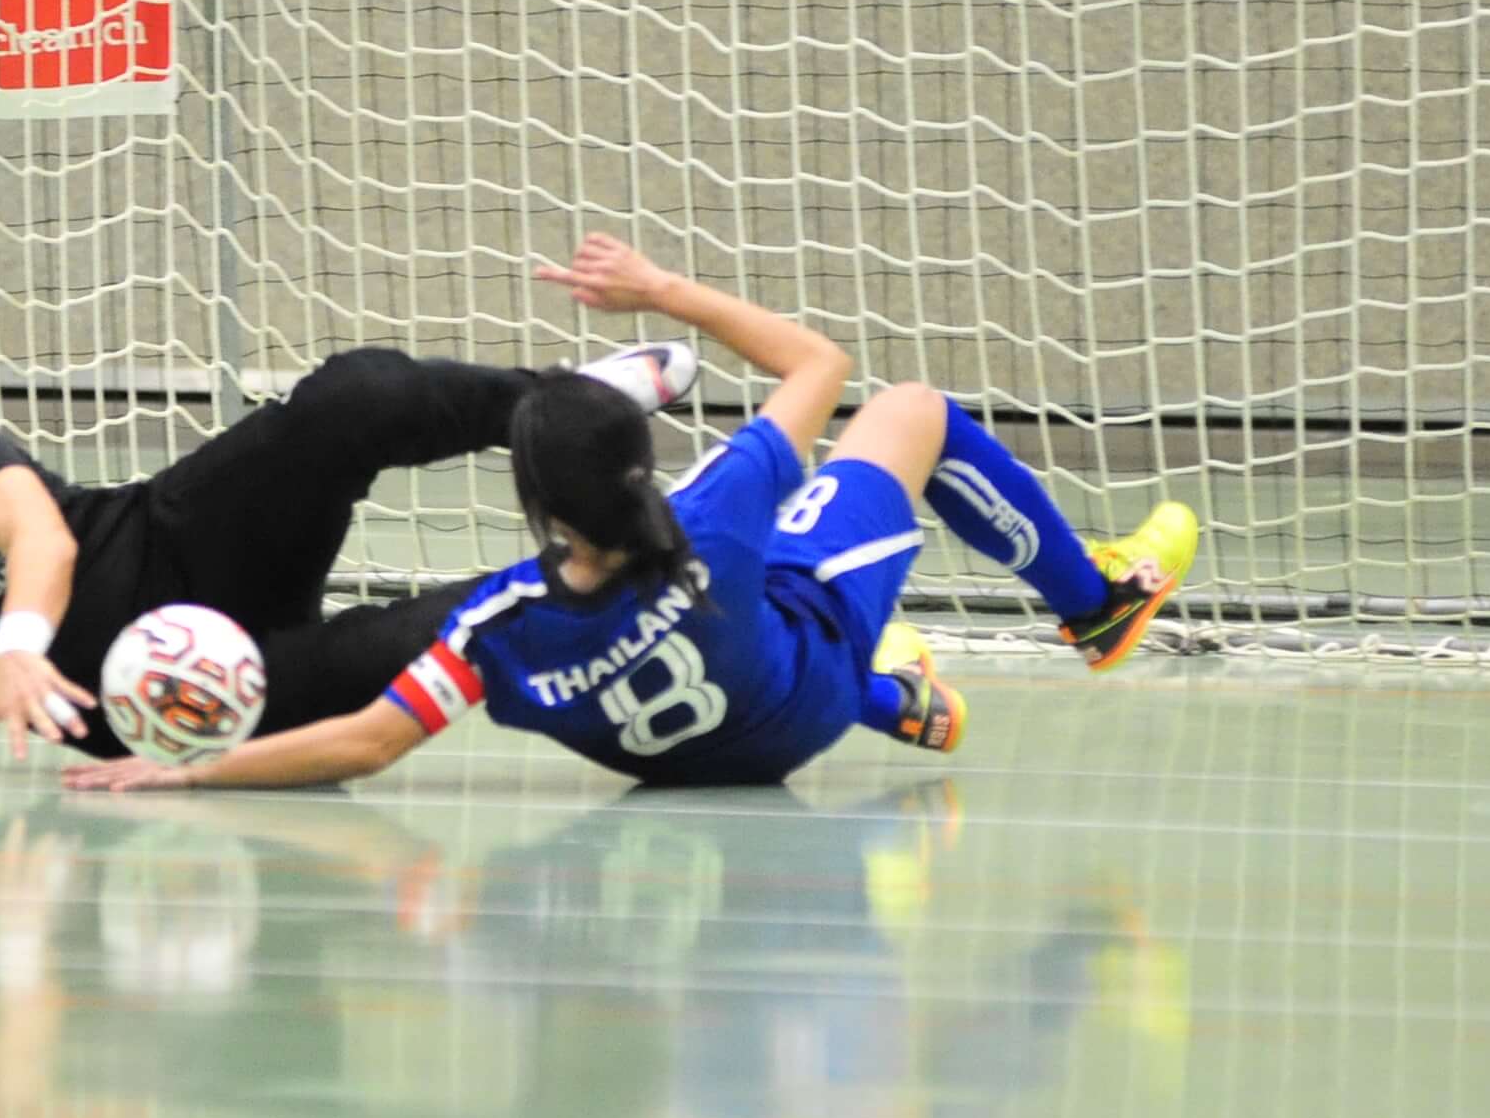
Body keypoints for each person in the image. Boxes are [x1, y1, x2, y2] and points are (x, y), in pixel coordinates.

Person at [63, 236, 1198, 796]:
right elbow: (819, 362)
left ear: (532, 502)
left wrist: (184, 773)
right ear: (643, 464)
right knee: (909, 411)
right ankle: (1096, 604)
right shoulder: (717, 516)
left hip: (712, 758)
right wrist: (663, 294)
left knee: (759, 628)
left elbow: (367, 741)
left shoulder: (499, 620)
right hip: (791, 696)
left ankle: (891, 698)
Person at [0, 337, 702, 774]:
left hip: (181, 544)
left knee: (345, 401)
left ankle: (572, 406)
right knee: (431, 636)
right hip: (188, 706)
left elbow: (35, 535)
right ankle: (632, 558)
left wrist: (17, 649)